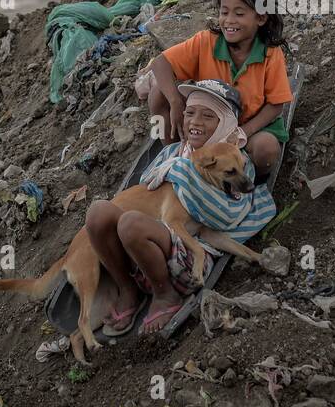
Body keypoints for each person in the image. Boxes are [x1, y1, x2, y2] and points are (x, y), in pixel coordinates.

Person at [84, 81, 275, 335]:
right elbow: (147, 190)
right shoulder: (173, 153)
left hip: (183, 262)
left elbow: (226, 217)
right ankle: (126, 289)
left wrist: (254, 257)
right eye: (189, 112)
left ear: (226, 125)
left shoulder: (237, 161)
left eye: (208, 116)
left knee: (131, 223)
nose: (195, 121)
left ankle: (166, 296)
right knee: (98, 211)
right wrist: (178, 165)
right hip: (140, 253)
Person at [139, 0, 292, 179]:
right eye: (224, 12)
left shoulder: (270, 55)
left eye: (239, 14)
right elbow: (160, 63)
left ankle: (251, 180)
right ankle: (173, 151)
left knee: (267, 149)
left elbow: (276, 105)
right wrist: (175, 102)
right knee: (158, 93)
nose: (229, 21)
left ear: (261, 18)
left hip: (248, 127)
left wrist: (241, 134)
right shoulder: (206, 42)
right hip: (208, 123)